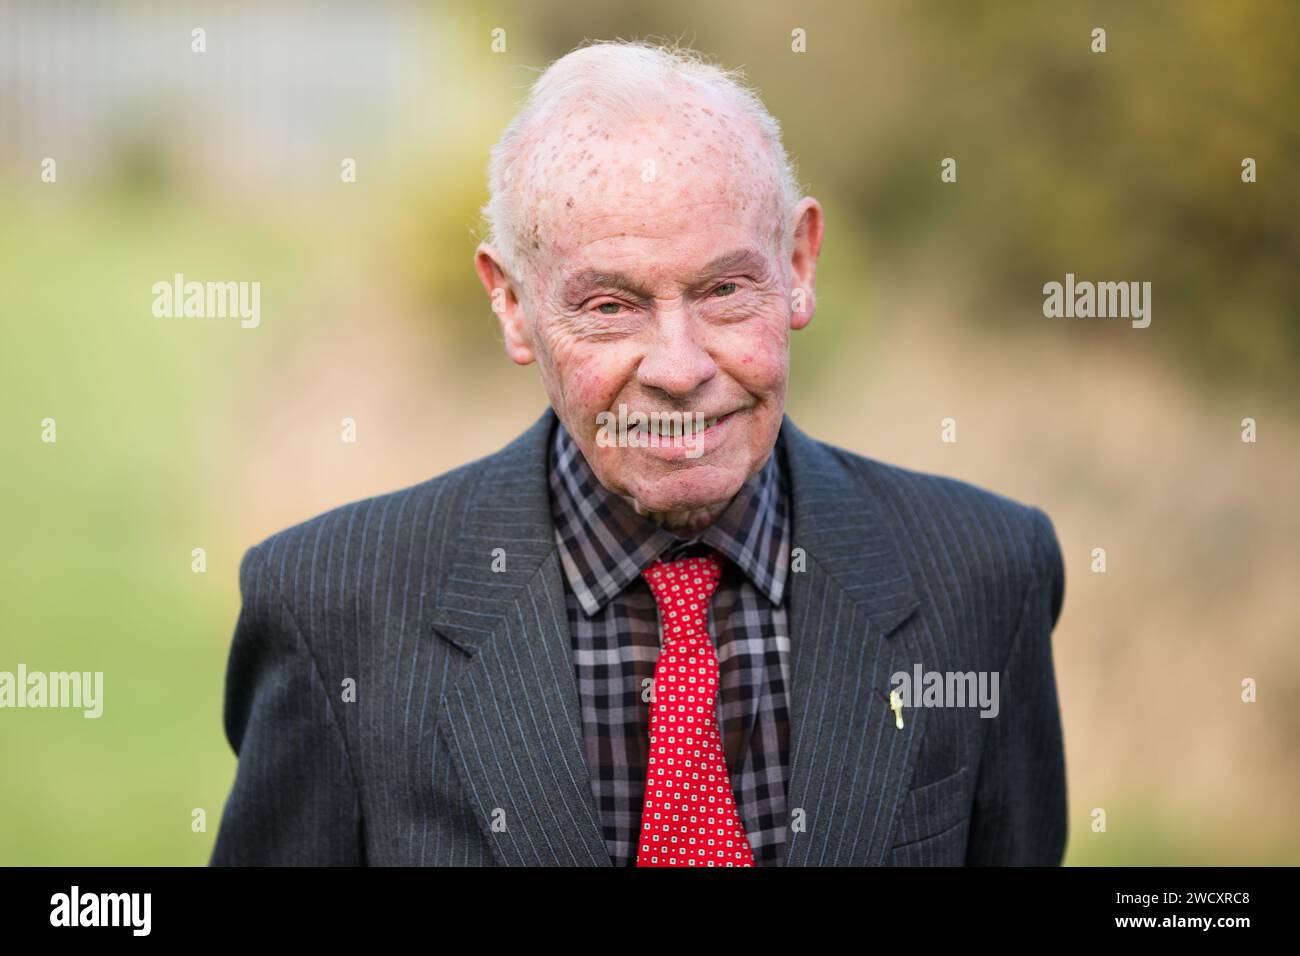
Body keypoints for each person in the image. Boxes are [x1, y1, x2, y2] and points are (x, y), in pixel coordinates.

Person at [210, 40, 1067, 867]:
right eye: (611, 305)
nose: (680, 369)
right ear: (511, 304)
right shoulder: (330, 610)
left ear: (799, 263)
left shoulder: (988, 576)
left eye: (726, 291)